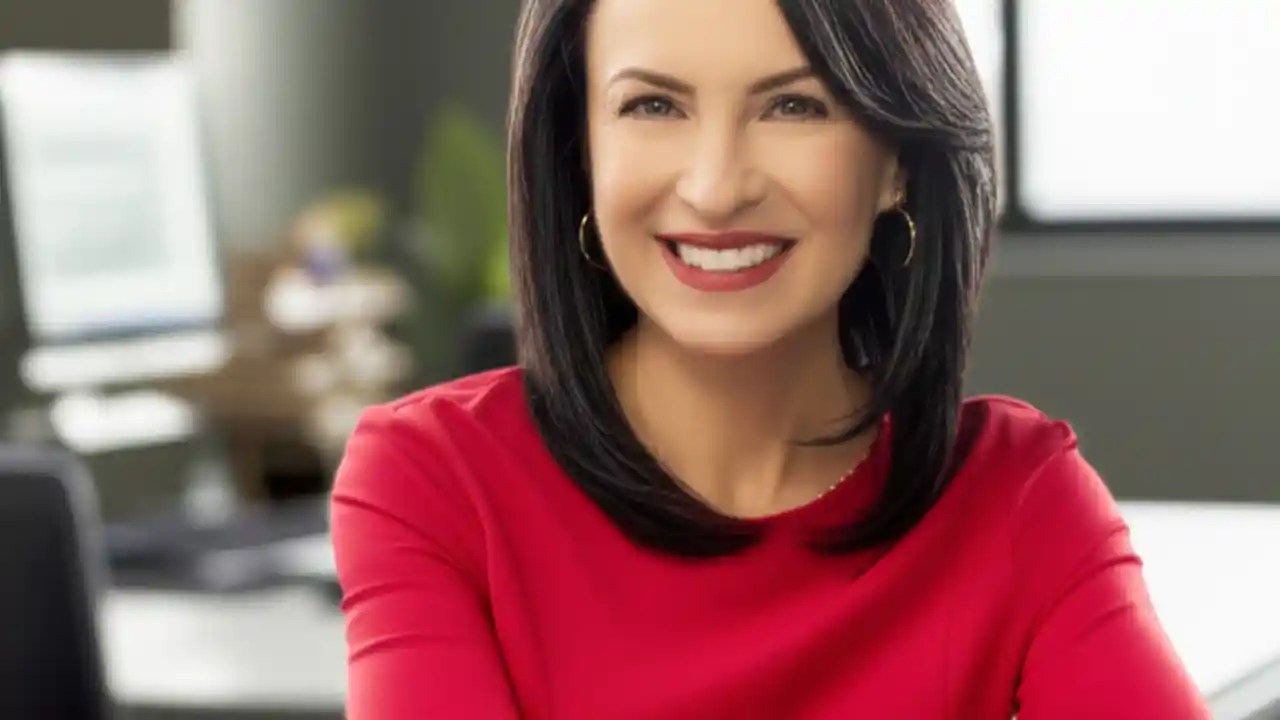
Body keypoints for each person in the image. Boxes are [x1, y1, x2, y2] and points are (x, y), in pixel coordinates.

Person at [330, 0, 1211, 717]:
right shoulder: (437, 483)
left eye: (794, 106)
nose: (716, 187)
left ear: (897, 160)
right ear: (580, 149)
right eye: (654, 106)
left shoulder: (1017, 497)